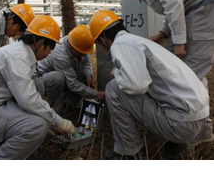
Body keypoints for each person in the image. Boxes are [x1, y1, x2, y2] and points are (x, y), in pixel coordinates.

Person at [89, 10, 214, 160]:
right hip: (200, 119)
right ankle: (178, 143)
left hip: (182, 125)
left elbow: (137, 86)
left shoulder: (121, 44)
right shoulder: (141, 41)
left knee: (113, 88)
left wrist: (117, 73)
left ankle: (128, 152)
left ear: (102, 38)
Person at [0, 15, 75, 160]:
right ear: (40, 42)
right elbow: (28, 99)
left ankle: (2, 145)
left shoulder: (17, 51)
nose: (49, 54)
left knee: (36, 85)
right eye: (49, 49)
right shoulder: (18, 57)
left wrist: (47, 116)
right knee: (37, 127)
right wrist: (59, 122)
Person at [100, 0, 214, 85]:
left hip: (205, 2)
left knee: (191, 68)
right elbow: (170, 8)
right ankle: (187, 98)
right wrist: (162, 34)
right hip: (191, 10)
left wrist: (179, 43)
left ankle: (192, 101)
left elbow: (173, 2)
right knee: (171, 64)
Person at [36, 25, 105, 113]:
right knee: (58, 77)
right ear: (73, 48)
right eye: (81, 53)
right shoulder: (60, 55)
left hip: (65, 78)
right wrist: (95, 93)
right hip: (43, 82)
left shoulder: (78, 44)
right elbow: (72, 84)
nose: (83, 55)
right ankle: (53, 111)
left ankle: (72, 106)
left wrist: (88, 75)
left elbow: (86, 63)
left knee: (82, 75)